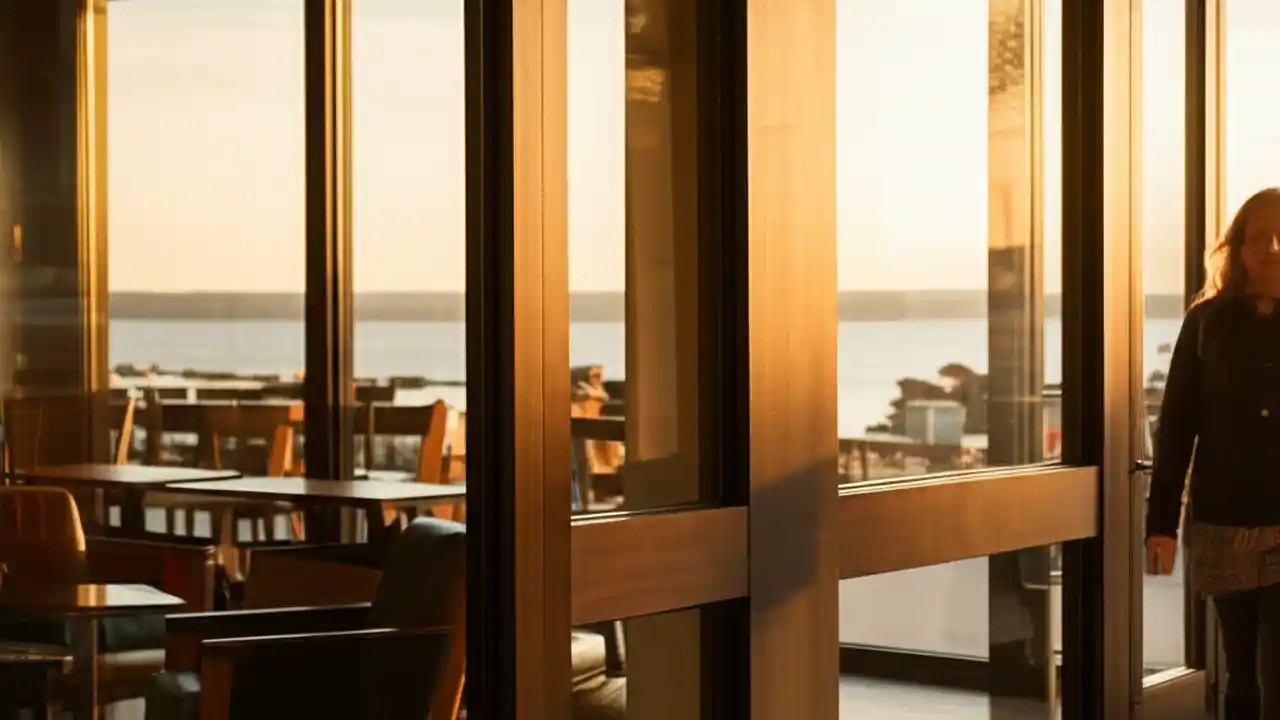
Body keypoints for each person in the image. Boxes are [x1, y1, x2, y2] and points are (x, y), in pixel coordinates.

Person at [1147, 187, 1280, 718]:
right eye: (1258, 237)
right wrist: (1160, 523)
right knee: (1241, 672)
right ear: (1238, 248)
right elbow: (1176, 425)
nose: (1272, 248)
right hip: (1225, 525)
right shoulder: (1206, 323)